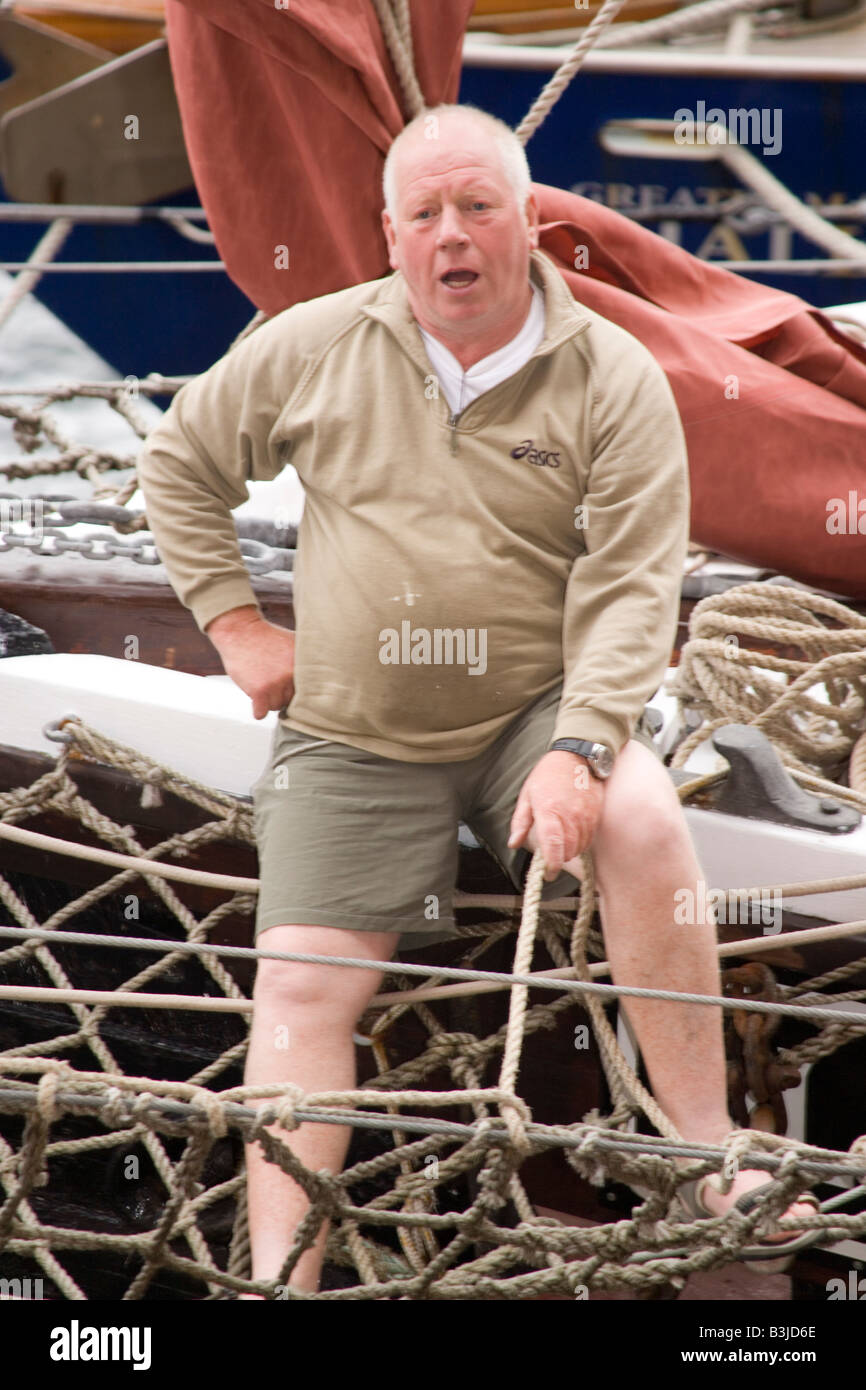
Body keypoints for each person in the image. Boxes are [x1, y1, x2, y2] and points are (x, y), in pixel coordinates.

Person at [136, 103, 817, 1296]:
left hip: (533, 708)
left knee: (645, 823)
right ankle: (279, 1284)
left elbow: (628, 584)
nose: (452, 236)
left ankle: (708, 1149)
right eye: (424, 213)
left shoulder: (611, 373)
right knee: (299, 989)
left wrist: (581, 746)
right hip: (353, 727)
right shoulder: (311, 345)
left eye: (477, 207)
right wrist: (235, 624)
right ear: (387, 230)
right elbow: (180, 462)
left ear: (526, 222)